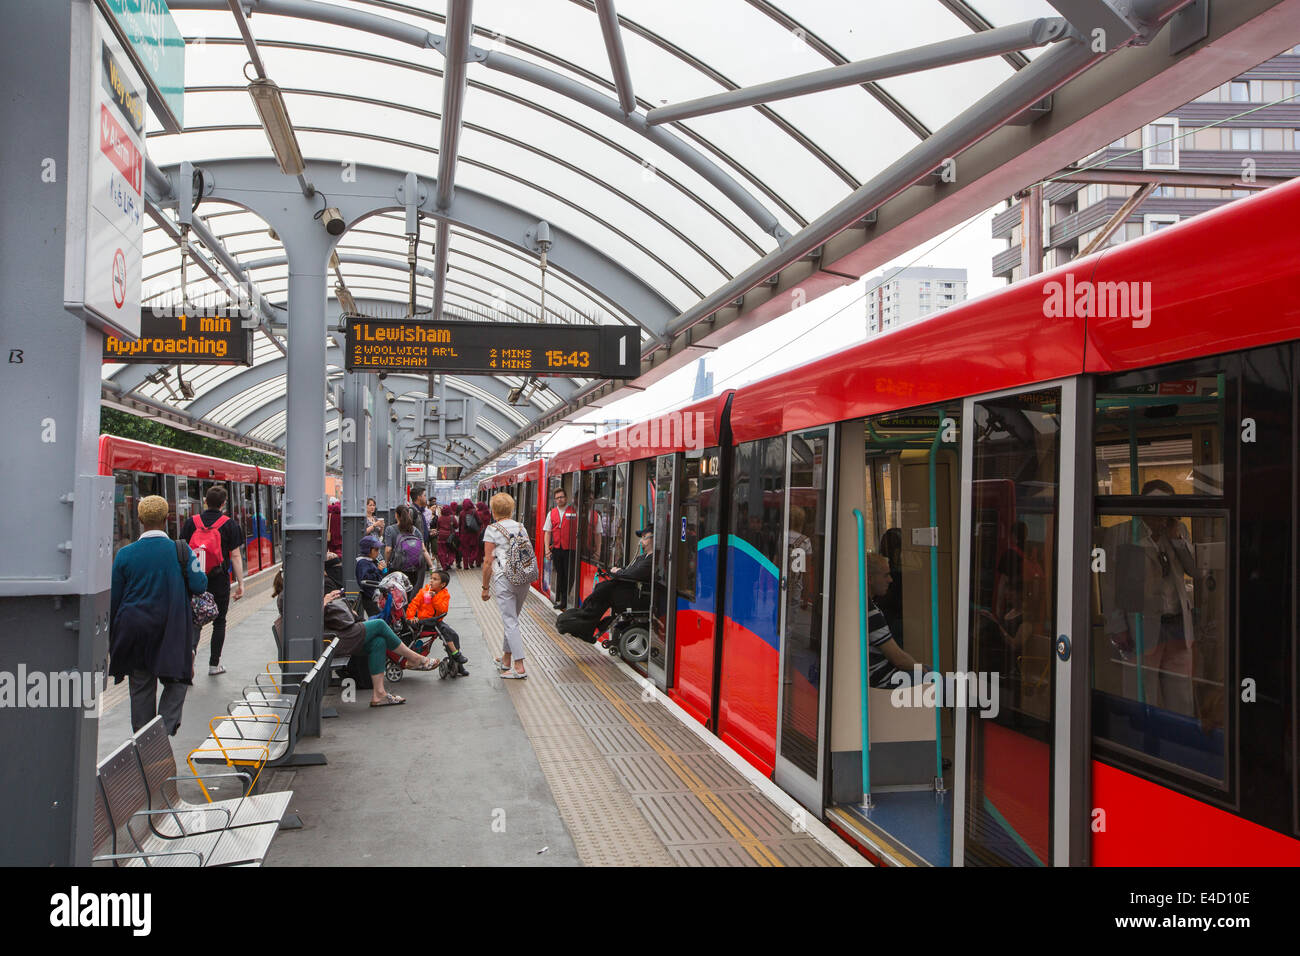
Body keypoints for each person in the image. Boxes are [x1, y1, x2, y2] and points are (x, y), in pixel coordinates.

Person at [109, 495, 210, 735]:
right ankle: (162, 733)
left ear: (140, 519)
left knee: (141, 689)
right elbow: (199, 585)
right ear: (167, 519)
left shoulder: (124, 555)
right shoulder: (181, 550)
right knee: (177, 680)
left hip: (134, 631)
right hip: (171, 630)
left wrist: (114, 640)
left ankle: (145, 742)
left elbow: (115, 600)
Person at [1099, 479, 1198, 715]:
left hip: (1176, 626)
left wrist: (1176, 537)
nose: (1161, 515)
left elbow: (1195, 570)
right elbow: (1110, 585)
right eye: (1156, 507)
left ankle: (1178, 743)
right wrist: (1117, 626)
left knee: (1181, 697)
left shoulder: (1177, 532)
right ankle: (1144, 744)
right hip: (1140, 627)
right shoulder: (1123, 534)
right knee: (1143, 696)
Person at [273, 572, 438, 706]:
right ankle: (416, 658)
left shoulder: (293, 594)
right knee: (379, 625)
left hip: (331, 638)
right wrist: (324, 602)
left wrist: (327, 599)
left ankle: (379, 694)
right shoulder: (286, 597)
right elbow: (304, 622)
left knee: (378, 642)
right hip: (329, 641)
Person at [179, 485, 246, 676]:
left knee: (194, 620)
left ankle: (191, 651)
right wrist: (241, 584)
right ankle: (214, 665)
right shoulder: (230, 525)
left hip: (194, 580)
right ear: (224, 504)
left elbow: (183, 552)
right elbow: (234, 556)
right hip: (219, 580)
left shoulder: (191, 522)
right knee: (220, 621)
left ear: (205, 501)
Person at [556, 528, 653, 643]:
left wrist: (617, 572)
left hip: (639, 597)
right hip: (630, 593)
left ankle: (585, 625)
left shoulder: (652, 559)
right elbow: (629, 570)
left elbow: (634, 574)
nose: (641, 540)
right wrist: (618, 570)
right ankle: (585, 624)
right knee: (602, 590)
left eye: (644, 537)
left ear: (653, 538)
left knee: (604, 591)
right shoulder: (642, 557)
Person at [481, 492, 534, 679]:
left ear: (494, 510)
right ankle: (506, 659)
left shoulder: (492, 530)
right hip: (523, 578)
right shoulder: (521, 527)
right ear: (511, 509)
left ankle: (518, 666)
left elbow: (488, 561)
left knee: (510, 621)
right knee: (511, 620)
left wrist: (485, 587)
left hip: (504, 578)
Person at [866, 552, 921, 688]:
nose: (890, 580)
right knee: (938, 680)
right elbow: (898, 659)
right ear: (870, 579)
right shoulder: (871, 613)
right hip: (885, 681)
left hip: (880, 676)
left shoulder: (864, 606)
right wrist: (922, 670)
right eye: (885, 575)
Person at [406, 569, 470, 673]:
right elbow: (413, 604)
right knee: (444, 630)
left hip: (436, 621)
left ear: (443, 584)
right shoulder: (423, 592)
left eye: (435, 579)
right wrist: (411, 617)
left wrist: (434, 598)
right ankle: (456, 655)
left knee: (454, 635)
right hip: (424, 622)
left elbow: (442, 610)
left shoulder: (445, 595)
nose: (431, 581)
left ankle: (456, 663)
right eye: (431, 578)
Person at [385, 504, 433, 592]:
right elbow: (423, 549)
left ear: (396, 515)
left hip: (396, 568)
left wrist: (386, 562)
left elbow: (388, 550)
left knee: (398, 594)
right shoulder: (415, 530)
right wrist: (431, 567)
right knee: (412, 592)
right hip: (414, 568)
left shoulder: (390, 529)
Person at [543, 487, 576, 610]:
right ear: (555, 500)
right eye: (557, 498)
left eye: (561, 497)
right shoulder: (551, 513)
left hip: (571, 549)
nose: (559, 499)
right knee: (561, 574)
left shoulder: (574, 511)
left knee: (569, 575)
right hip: (557, 549)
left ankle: (567, 598)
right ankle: (562, 600)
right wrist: (547, 549)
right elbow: (547, 532)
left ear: (566, 498)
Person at [355, 534, 384, 615]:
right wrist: (378, 570)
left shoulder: (371, 561)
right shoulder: (363, 563)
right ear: (368, 550)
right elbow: (366, 580)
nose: (378, 552)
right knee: (376, 616)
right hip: (369, 597)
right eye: (376, 550)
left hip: (375, 595)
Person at [458, 497, 482, 570]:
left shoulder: (461, 513)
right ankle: (471, 562)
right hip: (473, 534)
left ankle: (465, 566)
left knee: (465, 551)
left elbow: (460, 524)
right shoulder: (474, 512)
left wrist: (460, 534)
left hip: (464, 534)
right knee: (474, 549)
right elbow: (479, 522)